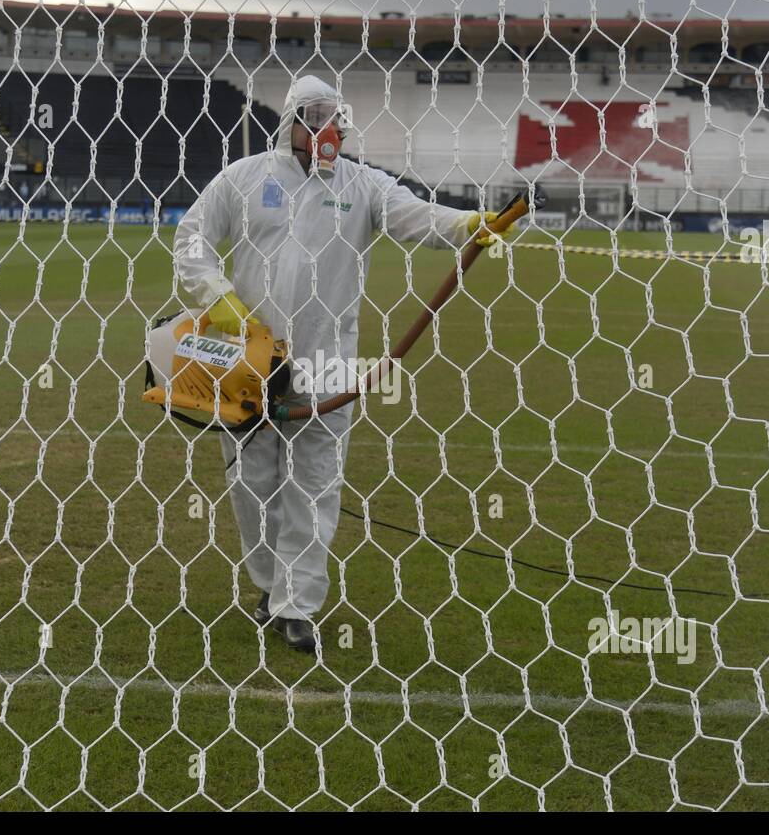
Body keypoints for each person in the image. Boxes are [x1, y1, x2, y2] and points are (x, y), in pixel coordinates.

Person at [171, 75, 515, 652]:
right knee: (252, 486)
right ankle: (268, 584)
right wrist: (216, 297)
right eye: (318, 115)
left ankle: (296, 605)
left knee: (314, 485)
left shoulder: (361, 185)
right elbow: (192, 237)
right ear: (294, 122)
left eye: (337, 116)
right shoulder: (245, 178)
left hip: (328, 364)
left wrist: (466, 225)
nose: (331, 127)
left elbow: (415, 215)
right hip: (247, 362)